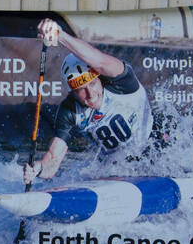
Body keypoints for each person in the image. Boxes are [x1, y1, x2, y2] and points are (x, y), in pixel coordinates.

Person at [23, 17, 154, 185]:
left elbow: (99, 61)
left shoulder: (121, 82)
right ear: (71, 92)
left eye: (92, 84)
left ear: (99, 78)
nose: (90, 94)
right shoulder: (70, 112)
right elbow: (53, 161)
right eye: (80, 90)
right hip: (121, 166)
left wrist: (60, 35)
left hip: (156, 145)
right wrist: (38, 169)